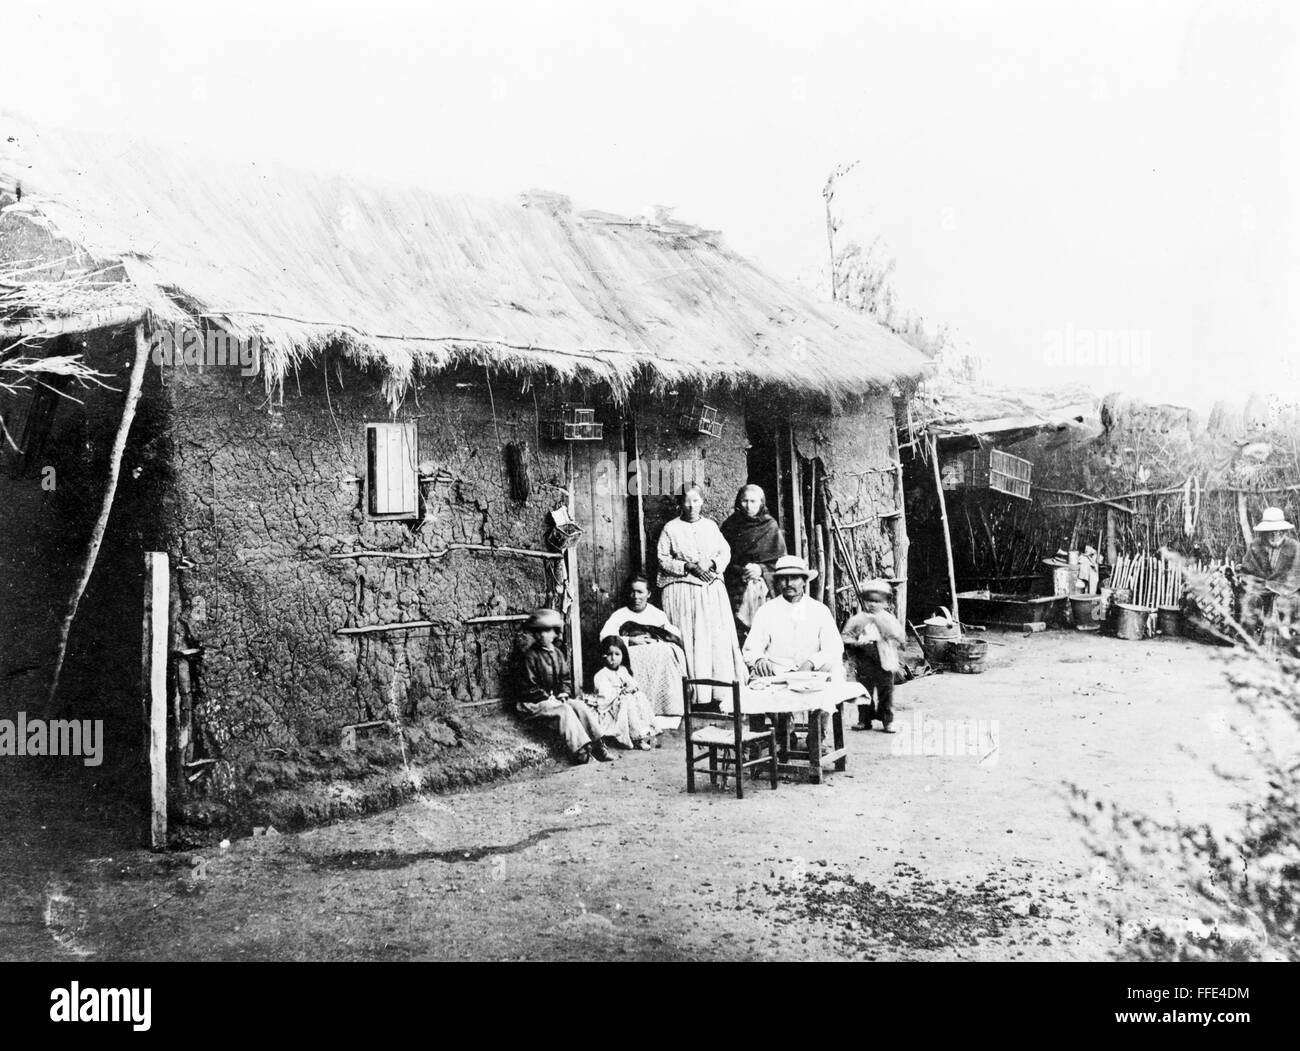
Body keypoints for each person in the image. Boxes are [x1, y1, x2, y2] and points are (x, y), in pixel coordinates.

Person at [656, 483, 746, 702]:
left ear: (702, 502)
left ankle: (718, 693)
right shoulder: (671, 528)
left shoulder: (711, 527)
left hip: (710, 591)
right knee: (689, 638)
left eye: (696, 501)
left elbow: (725, 552)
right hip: (682, 592)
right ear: (680, 504)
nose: (691, 506)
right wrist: (688, 567)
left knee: (713, 638)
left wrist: (711, 563)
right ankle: (693, 696)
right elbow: (662, 558)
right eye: (686, 501)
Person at [515, 608, 614, 764]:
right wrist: (547, 697)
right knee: (565, 709)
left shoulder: (558, 654)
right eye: (538, 631)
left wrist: (563, 693)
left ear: (555, 633)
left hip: (553, 699)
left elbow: (565, 679)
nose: (542, 635)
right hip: (533, 702)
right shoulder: (530, 656)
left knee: (578, 705)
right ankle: (580, 752)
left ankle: (598, 745)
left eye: (547, 631)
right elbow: (528, 687)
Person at [741, 555, 844, 680]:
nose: (788, 583)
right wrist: (759, 659)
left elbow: (834, 648)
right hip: (776, 674)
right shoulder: (766, 611)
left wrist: (811, 663)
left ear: (805, 581)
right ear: (778, 582)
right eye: (783, 579)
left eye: (794, 578)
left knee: (836, 670)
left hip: (813, 674)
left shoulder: (819, 610)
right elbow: (751, 648)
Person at [598, 576, 687, 716]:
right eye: (632, 592)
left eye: (640, 592)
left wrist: (655, 638)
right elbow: (605, 638)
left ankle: (666, 708)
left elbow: (672, 635)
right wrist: (630, 640)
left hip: (656, 662)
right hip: (633, 658)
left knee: (667, 651)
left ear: (649, 594)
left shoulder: (657, 614)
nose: (635, 597)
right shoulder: (619, 615)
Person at [719, 484, 787, 636]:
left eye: (753, 501)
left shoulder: (770, 526)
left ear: (761, 503)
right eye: (745, 501)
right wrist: (741, 571)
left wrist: (761, 569)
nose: (749, 506)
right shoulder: (730, 526)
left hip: (764, 587)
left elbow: (781, 563)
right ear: (738, 502)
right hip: (735, 582)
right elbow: (720, 557)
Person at [841, 579, 906, 733]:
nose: (873, 604)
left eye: (877, 601)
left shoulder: (889, 619)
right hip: (864, 657)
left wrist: (884, 627)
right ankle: (864, 719)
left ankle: (887, 721)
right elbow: (845, 635)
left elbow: (900, 637)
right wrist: (855, 643)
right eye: (869, 600)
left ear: (885, 603)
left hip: (884, 658)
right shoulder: (858, 619)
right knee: (864, 690)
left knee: (886, 691)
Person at [591, 636, 659, 750]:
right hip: (611, 708)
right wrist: (621, 692)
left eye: (617, 654)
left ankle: (647, 736)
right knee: (627, 700)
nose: (613, 658)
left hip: (625, 702)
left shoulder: (623, 670)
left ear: (623, 656)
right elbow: (605, 697)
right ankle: (637, 738)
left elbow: (632, 683)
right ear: (603, 655)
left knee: (639, 696)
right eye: (609, 654)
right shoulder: (601, 674)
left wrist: (632, 689)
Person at [1238, 506, 1300, 630]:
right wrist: (1261, 585)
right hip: (1260, 590)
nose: (1275, 535)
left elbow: (1296, 576)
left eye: (1279, 531)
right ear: (1264, 533)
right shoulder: (1256, 545)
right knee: (1250, 601)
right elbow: (1246, 572)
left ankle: (1287, 640)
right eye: (1270, 532)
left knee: (1290, 603)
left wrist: (1279, 589)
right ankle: (1248, 640)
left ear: (1284, 531)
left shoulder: (1295, 547)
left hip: (1288, 592)